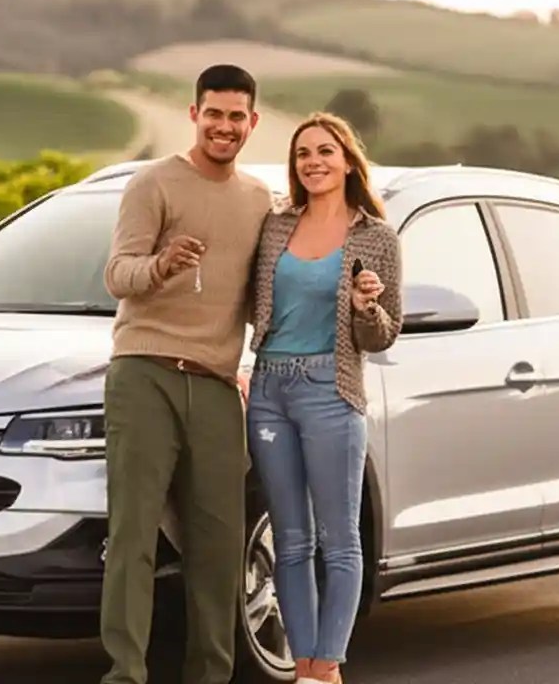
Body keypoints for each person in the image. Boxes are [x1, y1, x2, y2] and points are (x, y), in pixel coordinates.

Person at [99, 64, 274, 684]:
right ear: (193, 114)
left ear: (252, 123)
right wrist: (163, 265)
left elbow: (264, 297)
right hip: (144, 373)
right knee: (133, 537)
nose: (224, 126)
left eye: (236, 117)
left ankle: (210, 675)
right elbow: (118, 274)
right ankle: (126, 674)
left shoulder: (259, 202)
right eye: (214, 113)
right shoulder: (154, 184)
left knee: (219, 546)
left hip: (218, 385)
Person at [245, 112, 403, 684]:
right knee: (289, 539)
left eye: (325, 151)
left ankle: (325, 666)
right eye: (303, 153)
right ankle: (302, 667)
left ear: (347, 161)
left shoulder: (375, 237)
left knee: (339, 541)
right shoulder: (274, 227)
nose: (313, 161)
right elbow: (247, 305)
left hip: (330, 390)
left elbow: (384, 334)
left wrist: (367, 307)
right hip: (268, 389)